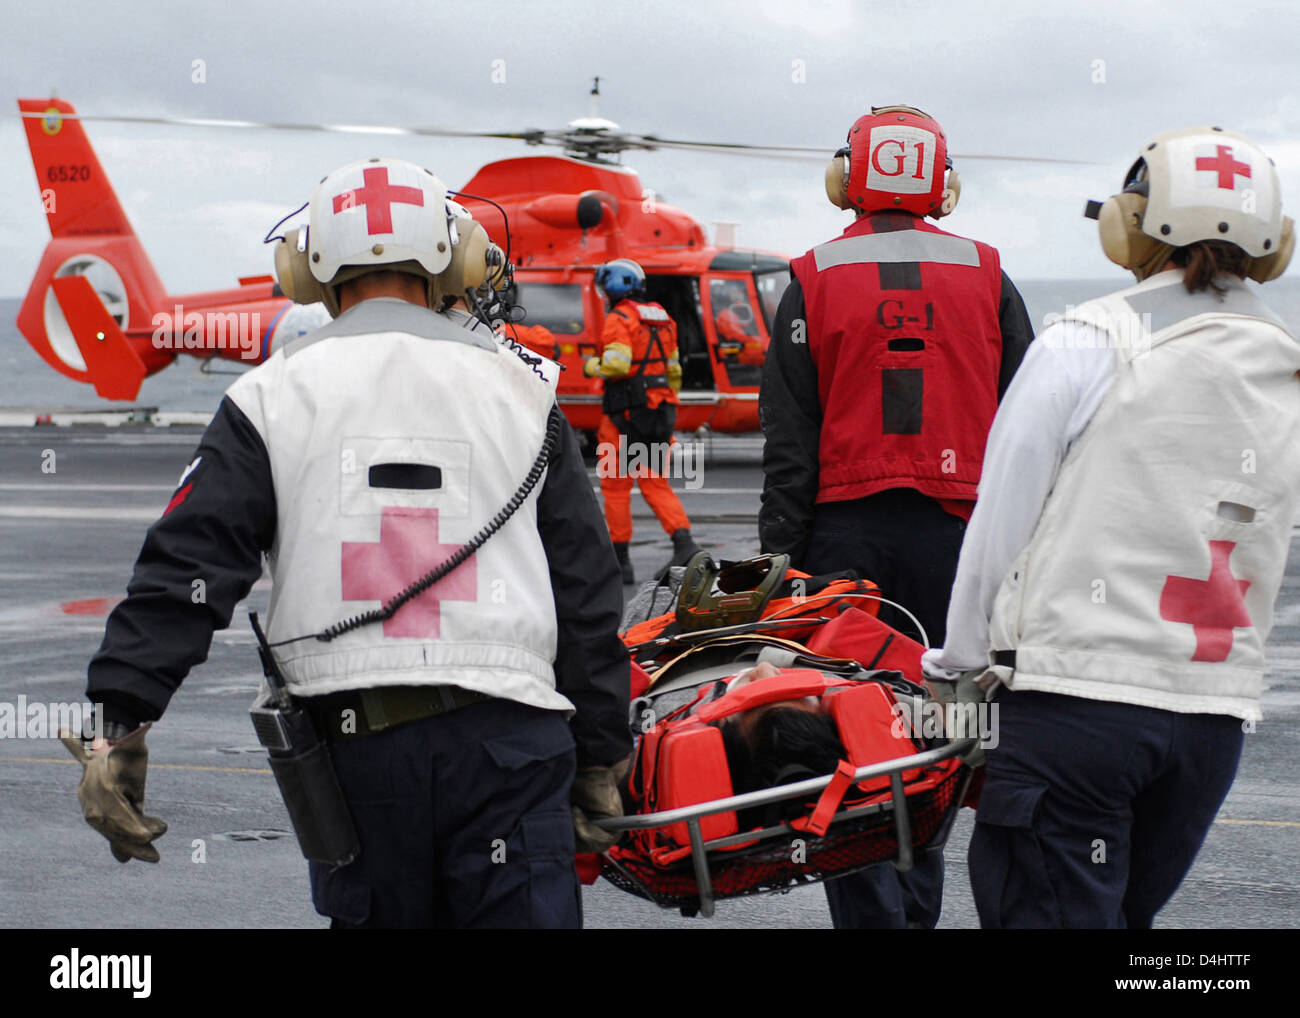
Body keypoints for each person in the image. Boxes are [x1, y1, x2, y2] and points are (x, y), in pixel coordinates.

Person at [63, 158, 632, 929]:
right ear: (454, 258)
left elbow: (187, 570)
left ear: (304, 270)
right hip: (510, 749)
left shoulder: (266, 396)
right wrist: (600, 752)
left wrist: (119, 723)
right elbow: (586, 589)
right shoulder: (528, 388)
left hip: (358, 760)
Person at [921, 125, 1299, 928]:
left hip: (1073, 710)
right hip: (1212, 723)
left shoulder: (1087, 338)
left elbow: (1002, 522)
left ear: (1132, 225)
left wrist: (956, 669)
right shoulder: (1288, 363)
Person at [758, 105, 1035, 929]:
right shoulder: (989, 273)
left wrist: (781, 575)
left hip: (843, 545)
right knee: (942, 734)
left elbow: (789, 446)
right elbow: (1029, 425)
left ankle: (875, 915)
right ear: (940, 183)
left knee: (853, 739)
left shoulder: (810, 276)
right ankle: (918, 900)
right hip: (961, 545)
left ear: (849, 178)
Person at [584, 258, 702, 584]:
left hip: (623, 419)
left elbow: (617, 365)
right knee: (655, 484)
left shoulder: (619, 318)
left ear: (612, 288)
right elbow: (674, 370)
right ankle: (684, 542)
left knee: (617, 489)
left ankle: (621, 563)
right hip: (659, 413)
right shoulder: (663, 319)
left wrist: (592, 366)